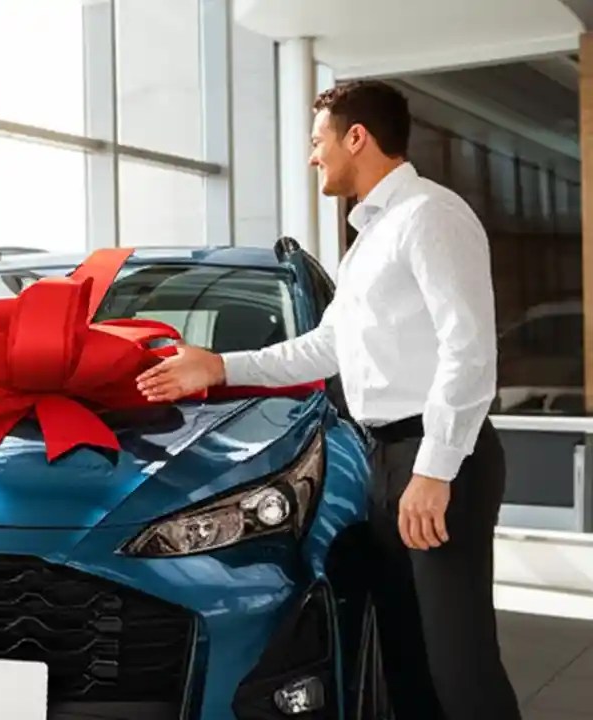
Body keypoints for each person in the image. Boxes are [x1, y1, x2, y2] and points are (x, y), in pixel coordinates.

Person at [135, 80, 519, 720]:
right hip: (388, 457)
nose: (313, 157)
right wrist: (217, 366)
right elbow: (323, 348)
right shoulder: (374, 235)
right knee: (407, 658)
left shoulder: (430, 215)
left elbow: (470, 349)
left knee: (461, 664)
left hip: (437, 457)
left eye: (319, 141)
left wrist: (433, 468)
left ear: (356, 137)